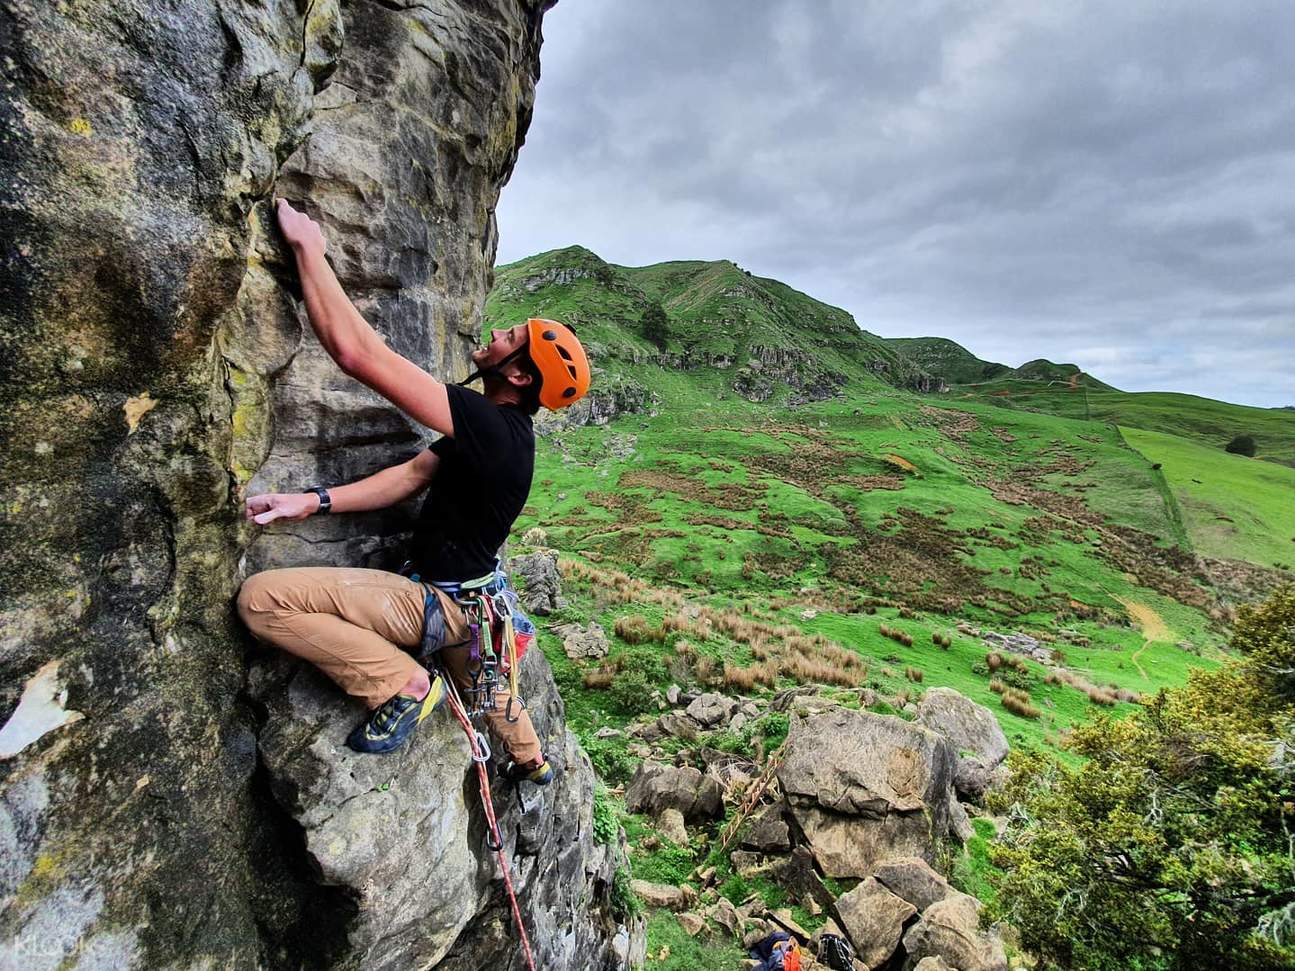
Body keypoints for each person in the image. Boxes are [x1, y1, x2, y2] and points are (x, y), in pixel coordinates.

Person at [237, 199, 590, 778]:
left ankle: (402, 684)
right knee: (491, 690)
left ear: (519, 375)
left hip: (439, 604)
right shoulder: (501, 434)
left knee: (262, 601)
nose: (496, 332)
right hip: (476, 607)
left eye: (509, 337)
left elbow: (356, 354)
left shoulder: (488, 426)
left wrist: (309, 250)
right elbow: (410, 476)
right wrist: (314, 502)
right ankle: (533, 761)